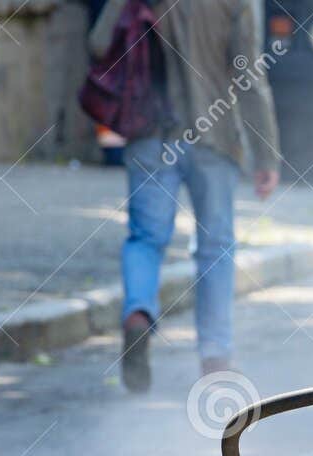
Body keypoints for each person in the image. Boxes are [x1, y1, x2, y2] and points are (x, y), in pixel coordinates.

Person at [89, 0, 282, 392]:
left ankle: (138, 314)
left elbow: (98, 44)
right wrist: (267, 154)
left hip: (151, 134)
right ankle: (216, 356)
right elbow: (249, 74)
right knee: (215, 249)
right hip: (215, 136)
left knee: (146, 239)